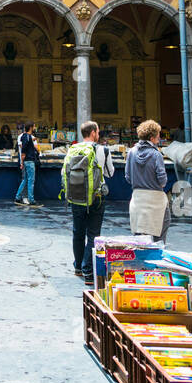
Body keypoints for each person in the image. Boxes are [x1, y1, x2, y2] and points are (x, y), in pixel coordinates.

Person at [64, 119, 115, 283]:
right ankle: (88, 270)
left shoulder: (72, 149)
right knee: (93, 234)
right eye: (98, 131)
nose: (98, 134)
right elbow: (110, 173)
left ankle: (78, 266)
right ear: (93, 133)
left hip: (76, 196)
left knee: (77, 232)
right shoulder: (103, 150)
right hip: (96, 197)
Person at [126, 119, 170, 242]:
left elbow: (128, 177)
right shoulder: (156, 155)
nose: (159, 138)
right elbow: (162, 180)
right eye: (158, 135)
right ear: (152, 138)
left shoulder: (131, 152)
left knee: (140, 239)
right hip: (156, 199)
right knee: (159, 238)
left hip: (137, 199)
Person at [14, 121, 40, 206]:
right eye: (34, 126)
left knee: (25, 179)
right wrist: (22, 161)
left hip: (25, 161)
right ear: (31, 127)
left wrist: (22, 162)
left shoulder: (25, 136)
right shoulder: (28, 137)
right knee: (31, 180)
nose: (35, 128)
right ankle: (31, 200)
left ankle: (18, 197)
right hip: (29, 161)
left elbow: (25, 143)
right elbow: (24, 150)